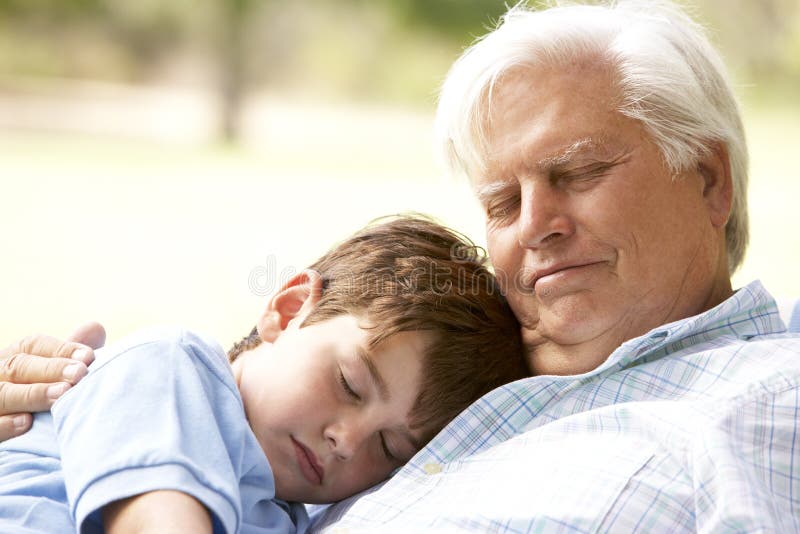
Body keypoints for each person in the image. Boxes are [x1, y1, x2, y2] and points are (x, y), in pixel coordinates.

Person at [2, 1, 799, 530]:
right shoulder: (455, 358)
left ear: (709, 178)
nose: (536, 229)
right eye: (499, 203)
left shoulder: (759, 395)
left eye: (579, 173)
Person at [0, 216, 527, 533]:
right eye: (349, 383)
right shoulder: (171, 368)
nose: (346, 441)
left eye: (390, 449)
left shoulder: (287, 516)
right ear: (290, 308)